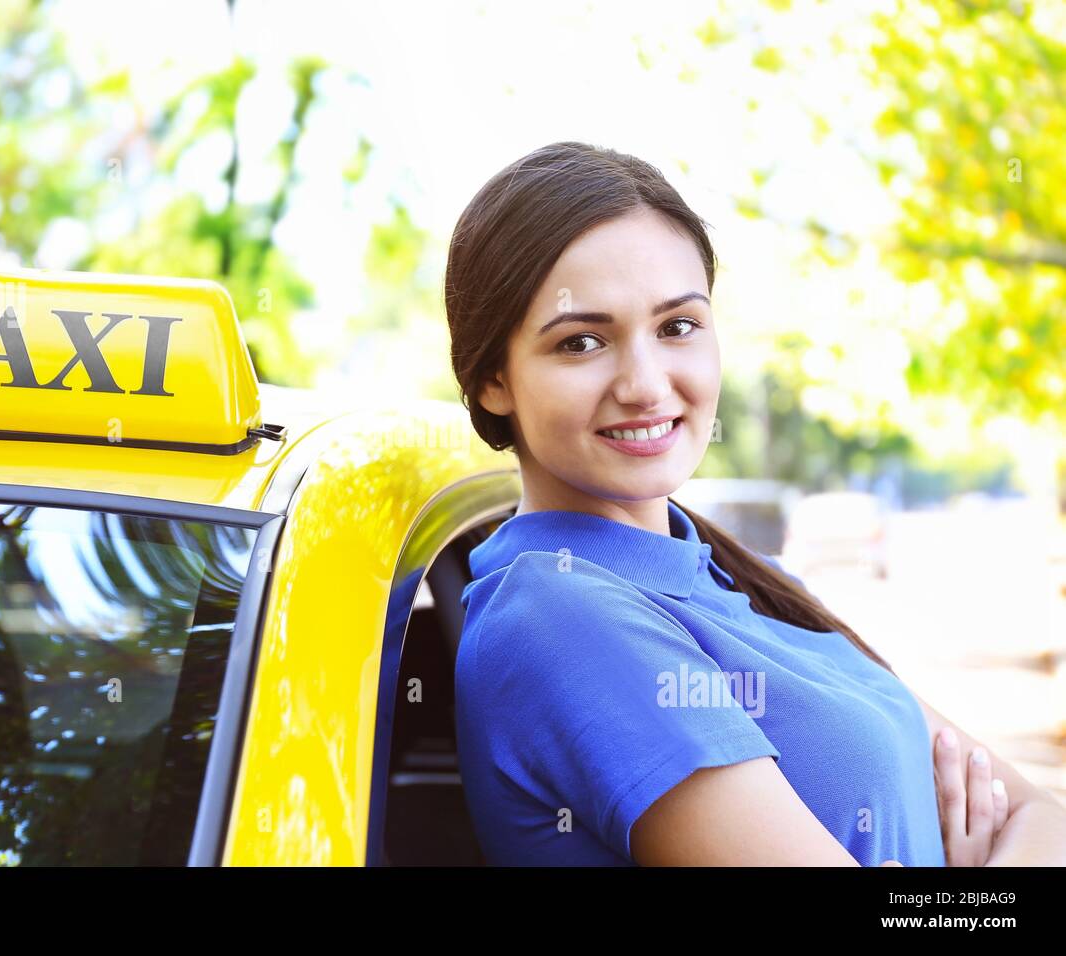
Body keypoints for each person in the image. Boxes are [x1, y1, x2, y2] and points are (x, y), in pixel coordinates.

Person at [445, 141, 1066, 866]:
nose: (646, 384)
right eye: (582, 342)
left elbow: (1039, 813)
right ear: (492, 377)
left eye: (677, 326)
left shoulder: (743, 576)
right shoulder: (559, 616)